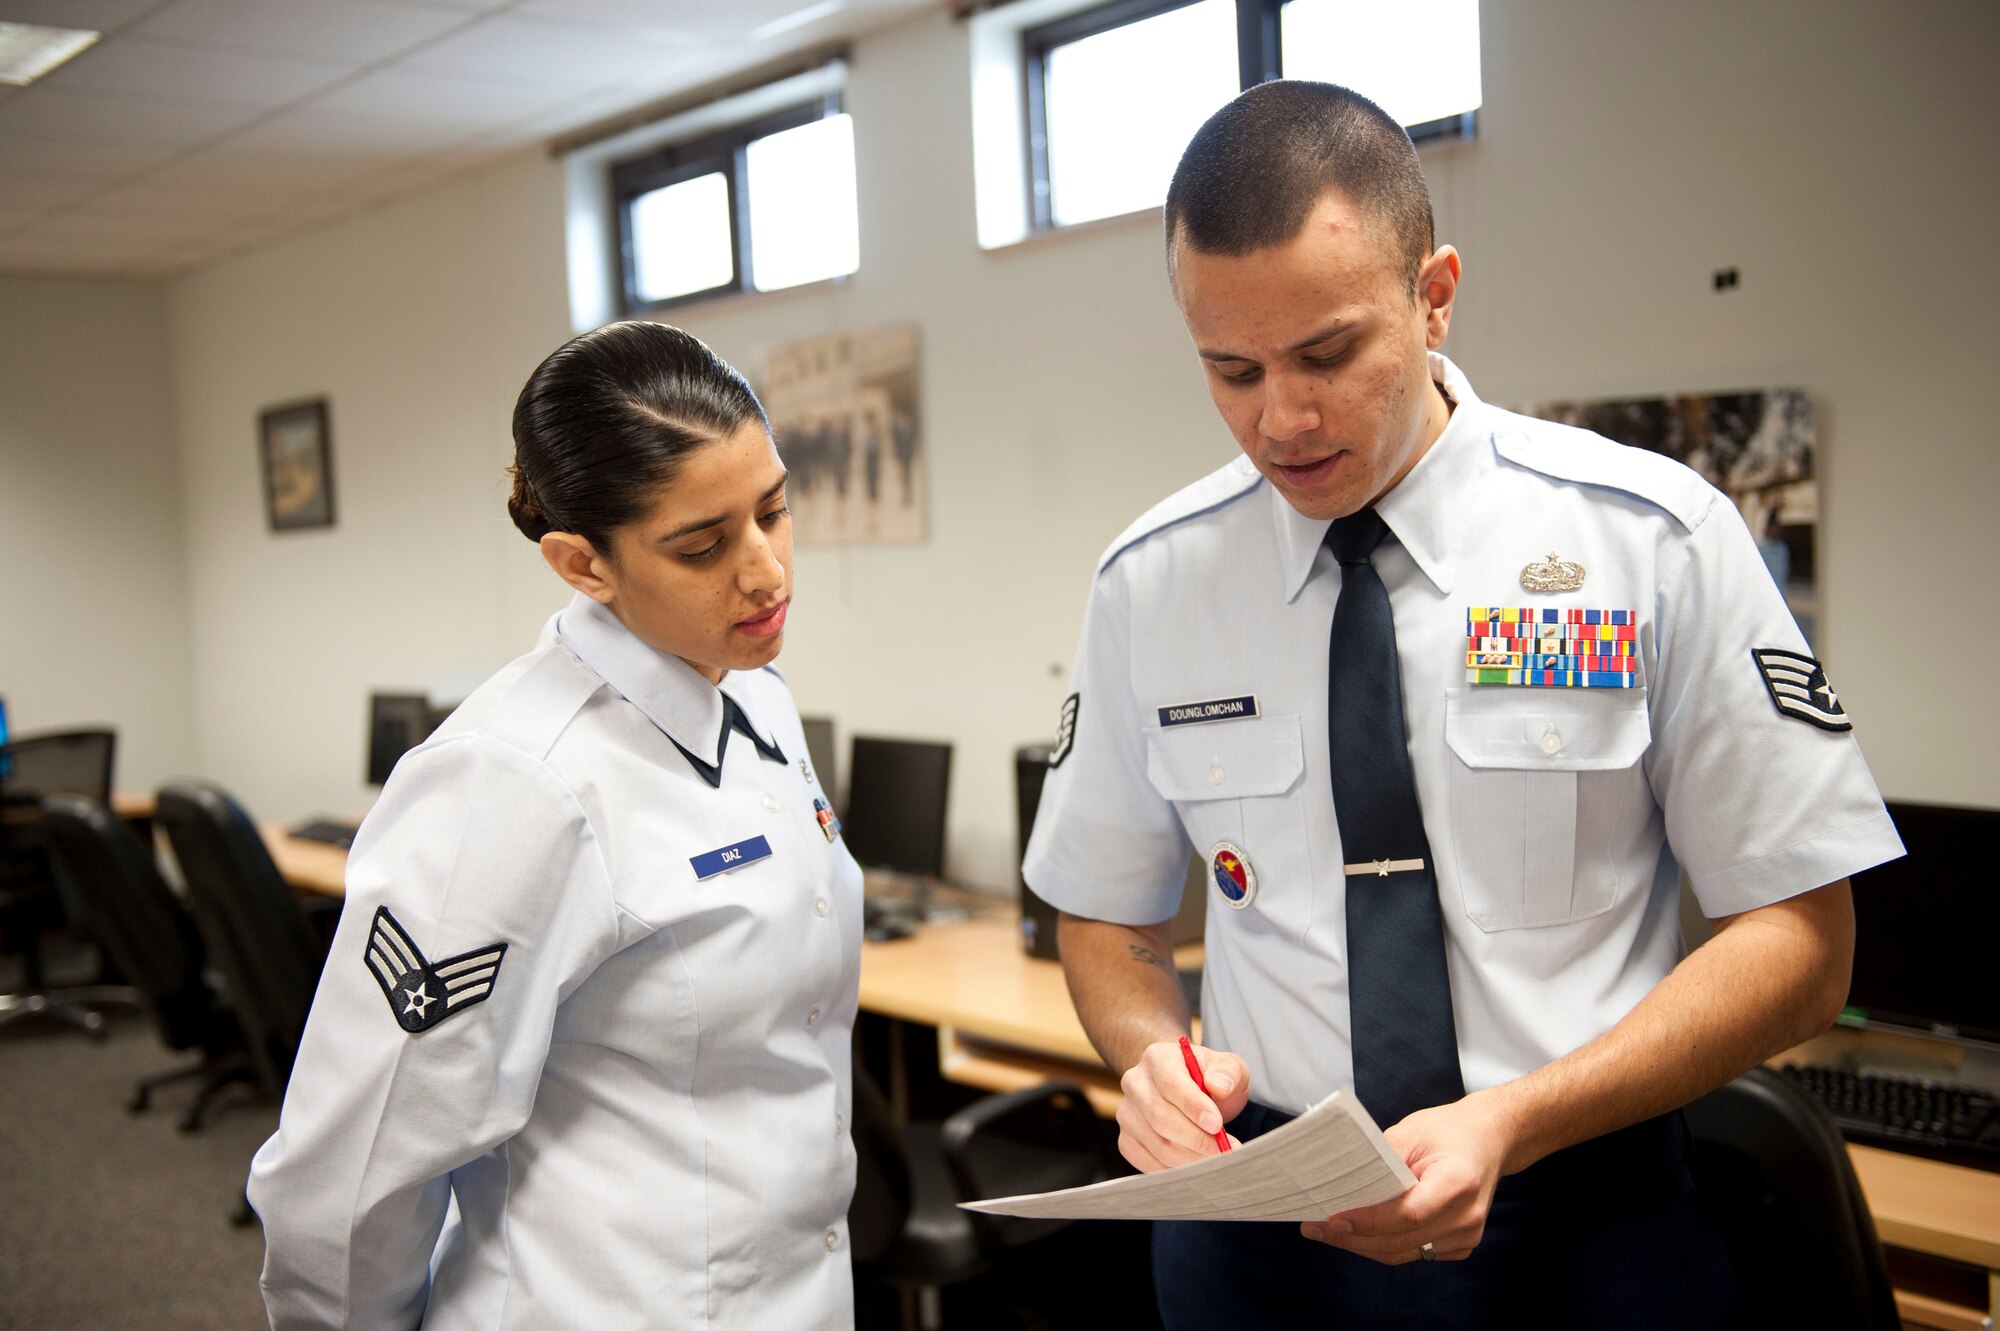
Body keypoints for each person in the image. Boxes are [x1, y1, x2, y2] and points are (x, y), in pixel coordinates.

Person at [1022, 80, 1902, 1329]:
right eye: (1229, 368)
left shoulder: (1647, 541)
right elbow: (1104, 920)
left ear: (1433, 295)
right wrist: (1147, 1059)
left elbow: (1804, 942)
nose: (1279, 418)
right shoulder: (1151, 583)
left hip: (1575, 1210)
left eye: (1327, 352)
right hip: (1260, 1235)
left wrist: (1515, 1118)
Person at [249, 322, 865, 1329]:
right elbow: (354, 1170)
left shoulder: (756, 703)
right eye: (703, 543)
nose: (765, 570)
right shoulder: (510, 782)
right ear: (582, 563)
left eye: (773, 509)